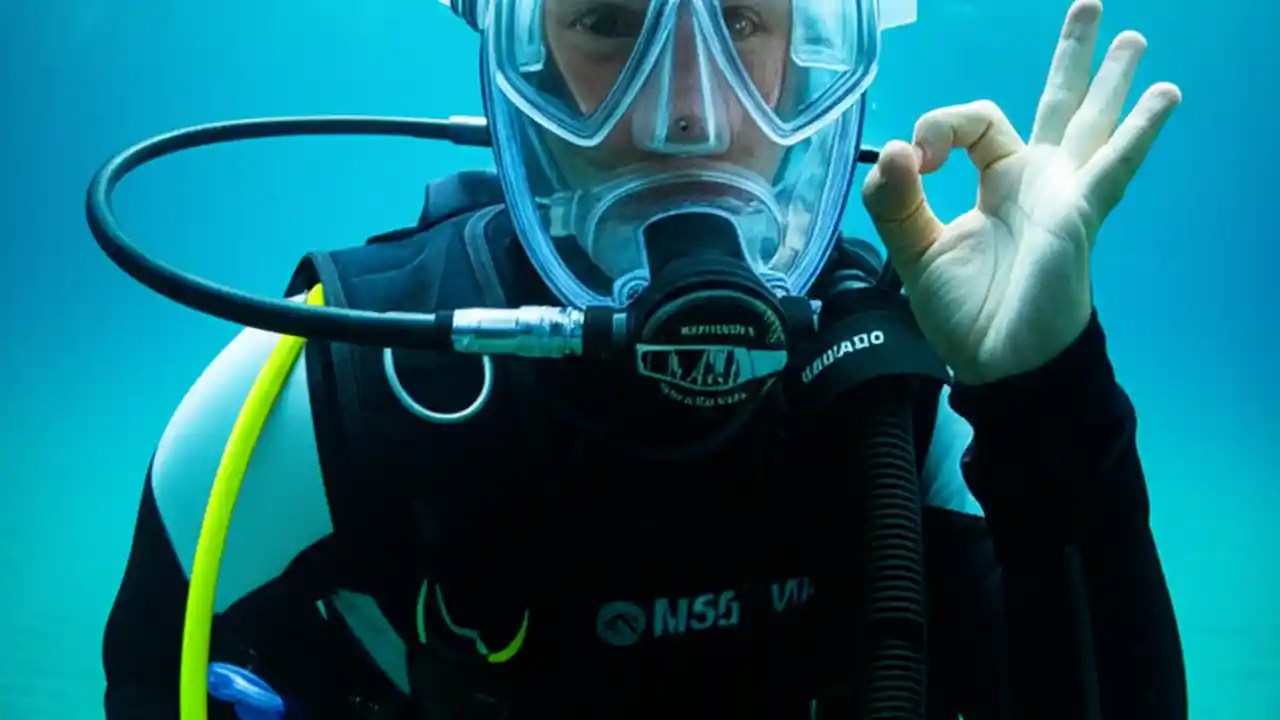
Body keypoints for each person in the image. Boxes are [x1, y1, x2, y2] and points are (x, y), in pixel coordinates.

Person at [102, 0, 1189, 717]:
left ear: (814, 49)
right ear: (516, 53)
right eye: (611, 21)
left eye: (743, 20)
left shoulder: (897, 391)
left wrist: (1046, 395)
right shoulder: (310, 403)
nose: (686, 114)